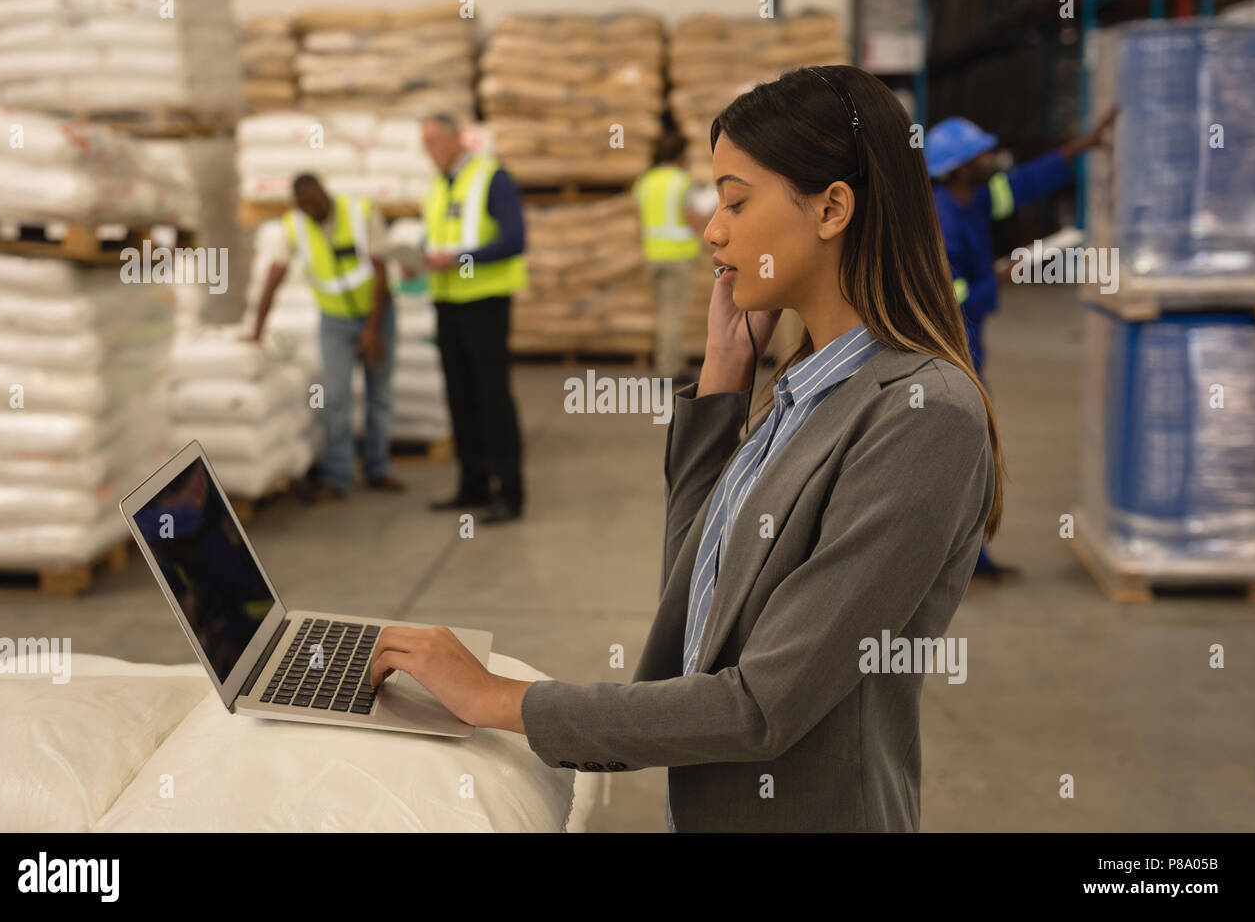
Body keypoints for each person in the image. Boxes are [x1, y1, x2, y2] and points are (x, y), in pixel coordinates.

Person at [366, 67, 1004, 832]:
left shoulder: (921, 415)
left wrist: (496, 698)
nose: (713, 229)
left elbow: (760, 704)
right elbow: (697, 609)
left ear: (832, 208)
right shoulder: (805, 382)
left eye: (736, 201)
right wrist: (722, 382)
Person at [926, 110, 1115, 580]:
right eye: (982, 153)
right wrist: (998, 275)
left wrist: (1083, 145)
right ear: (960, 166)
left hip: (971, 339)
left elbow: (1025, 183)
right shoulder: (940, 216)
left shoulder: (976, 196)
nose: (992, 157)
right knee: (963, 447)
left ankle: (972, 558)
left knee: (973, 446)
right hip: (949, 342)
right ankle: (960, 561)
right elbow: (942, 294)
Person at [250, 174, 404, 500]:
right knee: (335, 397)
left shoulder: (360, 212)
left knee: (379, 394)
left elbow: (381, 275)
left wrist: (372, 331)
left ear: (325, 192)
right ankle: (337, 477)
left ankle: (378, 469)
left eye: (314, 202)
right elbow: (274, 276)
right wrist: (256, 330)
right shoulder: (294, 225)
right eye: (303, 206)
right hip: (334, 322)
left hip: (377, 314)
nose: (310, 209)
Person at [420, 113, 527, 524]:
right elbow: (439, 236)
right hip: (446, 301)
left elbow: (515, 240)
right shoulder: (436, 186)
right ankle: (473, 483)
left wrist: (459, 259)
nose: (428, 150)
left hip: (485, 302)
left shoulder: (492, 178)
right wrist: (422, 259)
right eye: (424, 142)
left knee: (492, 399)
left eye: (433, 140)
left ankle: (510, 493)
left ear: (457, 139)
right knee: (459, 396)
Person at [633, 132, 708, 383]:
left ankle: (670, 362)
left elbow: (640, 219)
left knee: (664, 313)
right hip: (678, 256)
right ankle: (669, 369)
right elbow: (692, 219)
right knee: (672, 315)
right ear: (680, 154)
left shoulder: (645, 181)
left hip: (652, 256)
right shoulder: (682, 182)